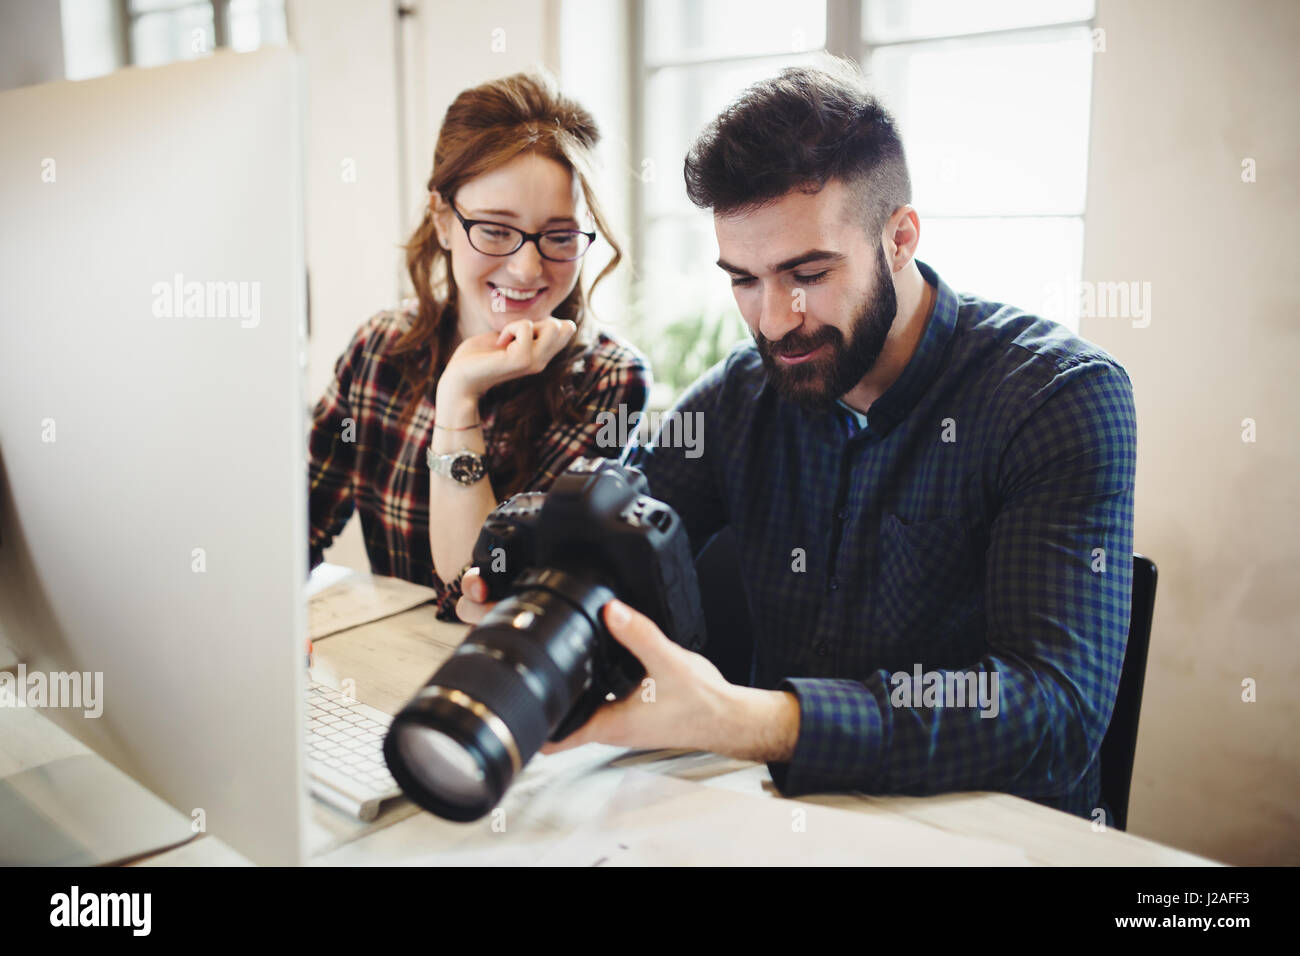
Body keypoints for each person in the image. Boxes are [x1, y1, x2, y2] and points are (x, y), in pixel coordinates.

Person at [459, 56, 1137, 824]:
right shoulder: (743, 395)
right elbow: (612, 515)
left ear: (901, 236)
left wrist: (751, 719)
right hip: (787, 822)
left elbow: (1054, 710)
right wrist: (526, 564)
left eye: (806, 272)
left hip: (989, 835)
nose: (776, 319)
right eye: (743, 279)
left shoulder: (1059, 398)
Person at [308, 71, 650, 619]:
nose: (527, 267)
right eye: (494, 229)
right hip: (387, 675)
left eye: (560, 236)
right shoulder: (379, 349)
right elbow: (295, 533)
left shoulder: (609, 379)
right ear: (443, 221)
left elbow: (486, 598)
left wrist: (458, 398)